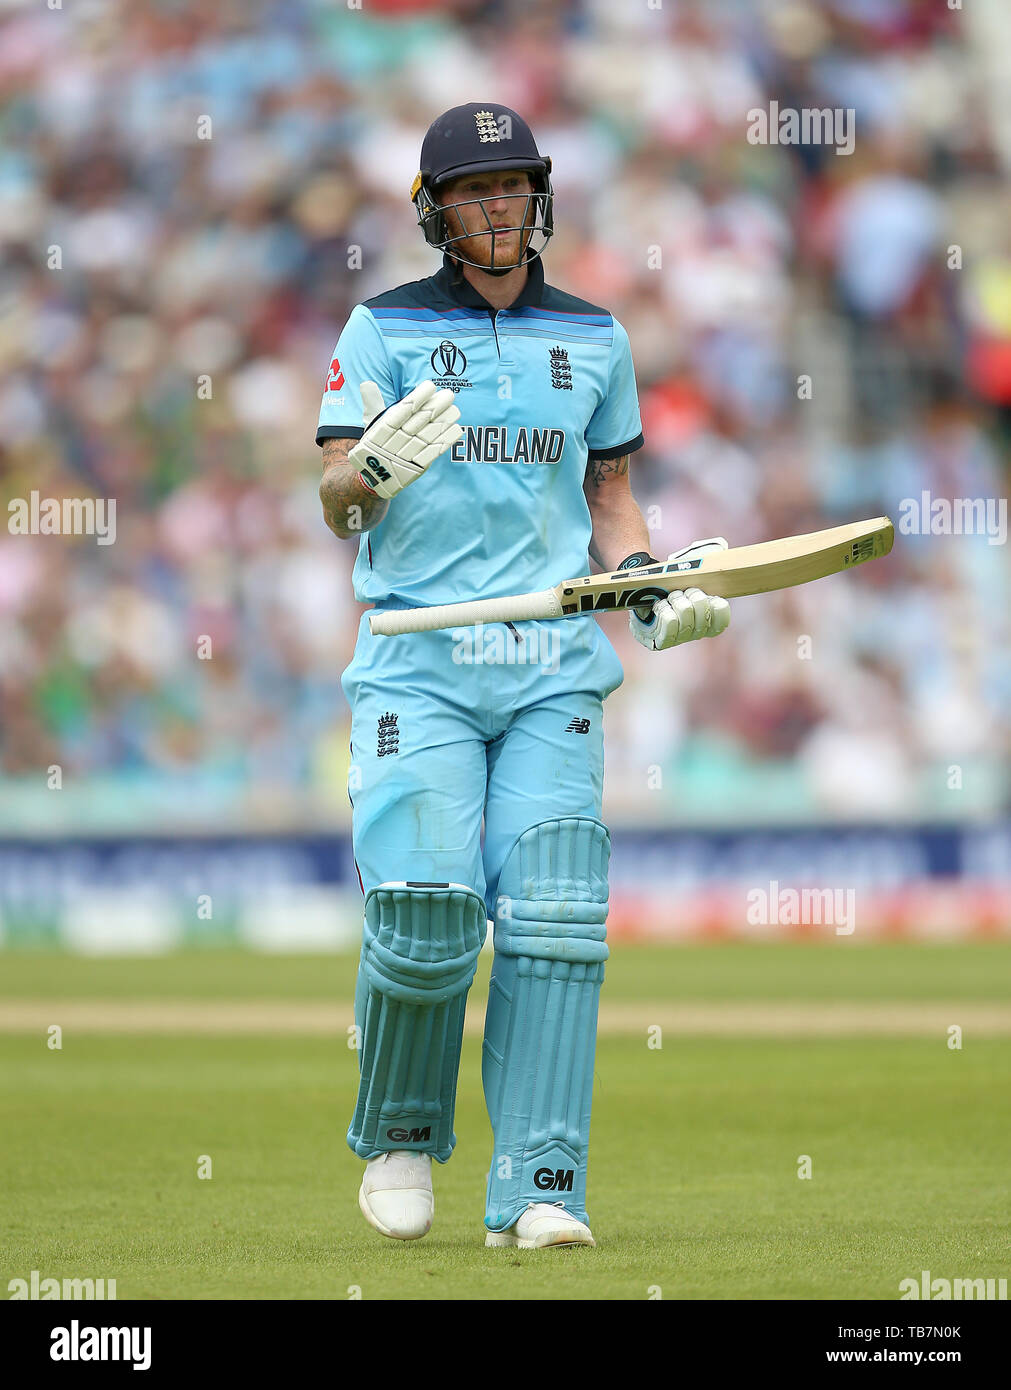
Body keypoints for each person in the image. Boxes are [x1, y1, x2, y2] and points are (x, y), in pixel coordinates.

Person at [317, 102, 729, 1249]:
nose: (496, 206)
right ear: (434, 209)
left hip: (551, 660)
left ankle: (541, 1183)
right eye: (472, 190)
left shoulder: (594, 334)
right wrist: (372, 477)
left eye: (512, 186)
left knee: (554, 914)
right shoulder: (382, 329)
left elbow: (609, 502)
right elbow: (332, 496)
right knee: (426, 914)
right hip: (420, 655)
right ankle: (401, 1127)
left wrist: (648, 581)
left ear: (537, 197)